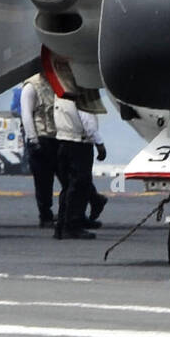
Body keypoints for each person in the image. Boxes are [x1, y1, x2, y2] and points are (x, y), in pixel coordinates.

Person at [53, 95, 106, 240]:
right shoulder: (82, 95)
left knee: (68, 187)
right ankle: (72, 225)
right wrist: (99, 144)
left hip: (63, 142)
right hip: (80, 144)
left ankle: (61, 225)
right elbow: (88, 122)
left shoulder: (59, 95)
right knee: (80, 185)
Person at [20, 72, 61, 227]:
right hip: (41, 138)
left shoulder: (57, 81)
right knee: (43, 181)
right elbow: (26, 114)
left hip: (57, 137)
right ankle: (45, 216)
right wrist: (33, 139)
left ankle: (67, 213)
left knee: (67, 178)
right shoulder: (31, 86)